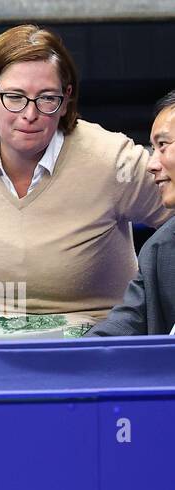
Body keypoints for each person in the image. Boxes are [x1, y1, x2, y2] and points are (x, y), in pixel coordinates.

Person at [0, 25, 170, 336]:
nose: (30, 113)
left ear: (65, 100)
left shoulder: (111, 159)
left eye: (47, 98)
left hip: (98, 332)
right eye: (15, 97)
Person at [88, 91, 175, 337]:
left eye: (163, 146)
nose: (151, 164)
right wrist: (61, 366)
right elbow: (124, 325)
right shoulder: (160, 249)